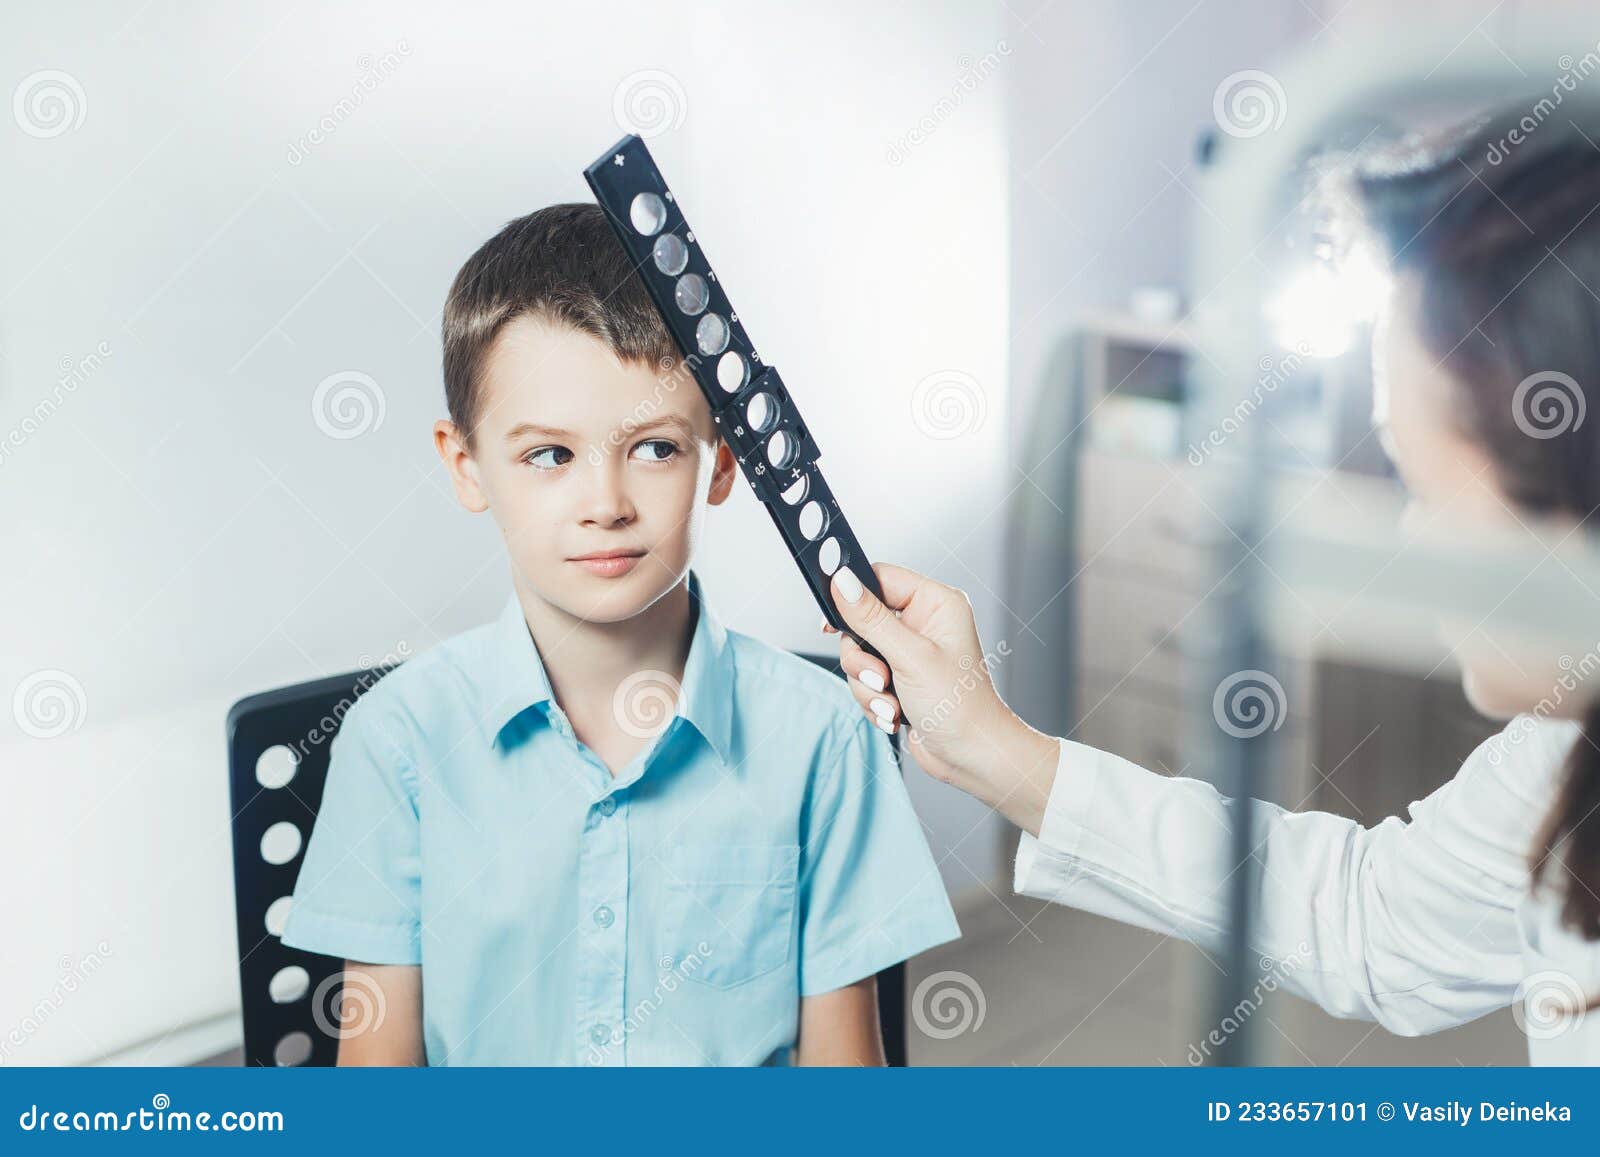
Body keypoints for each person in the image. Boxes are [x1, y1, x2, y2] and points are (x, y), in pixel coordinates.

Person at [824, 107, 1600, 1063]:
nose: (1410, 533)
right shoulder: (1563, 758)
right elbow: (1376, 918)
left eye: (1427, 484)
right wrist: (996, 747)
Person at [280, 204, 959, 1066]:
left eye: (654, 448)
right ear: (467, 465)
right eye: (550, 455)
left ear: (720, 461)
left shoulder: (823, 740)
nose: (605, 502)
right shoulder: (399, 740)